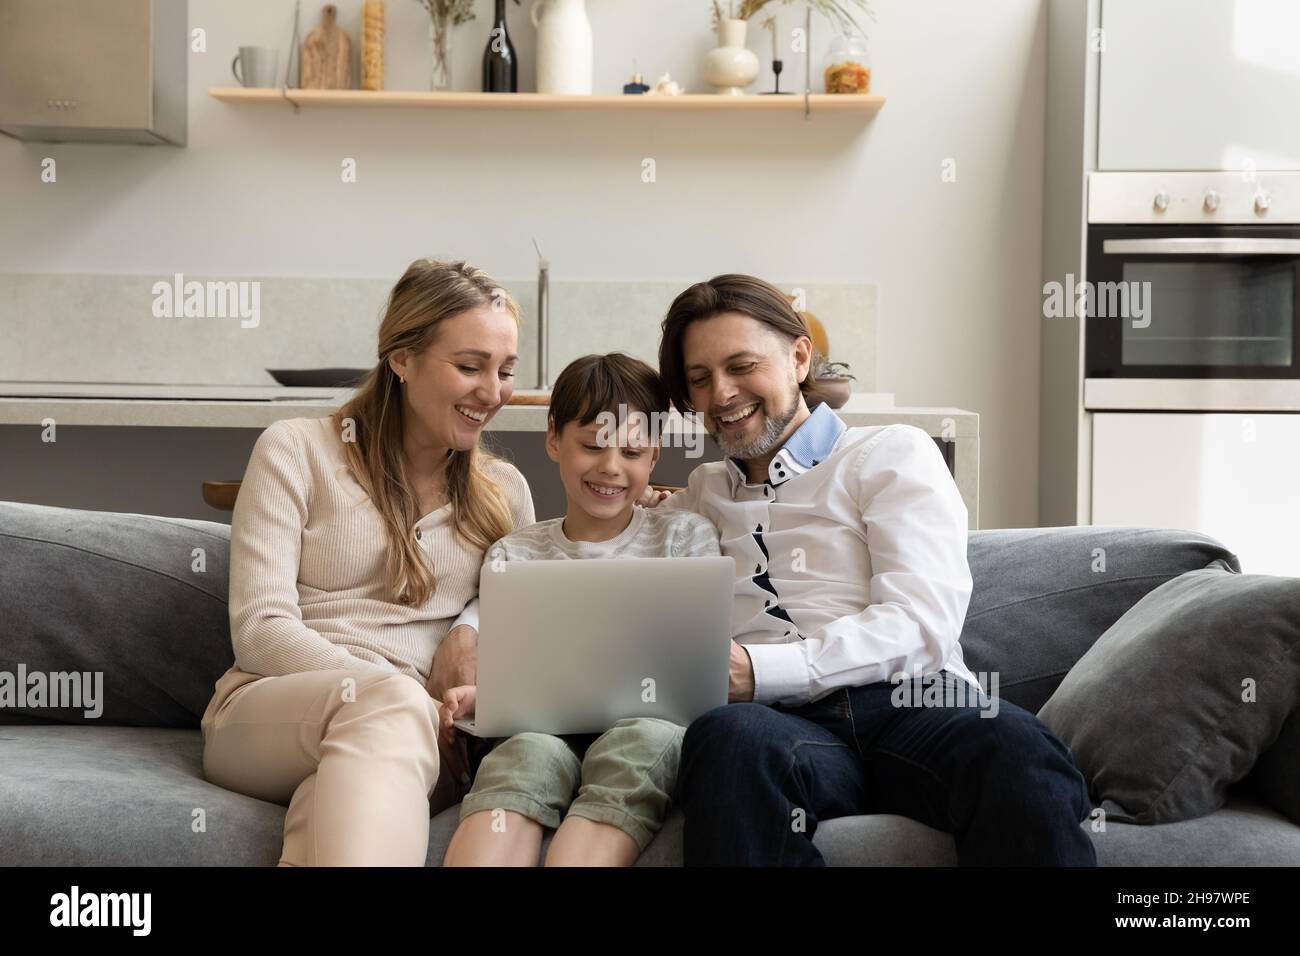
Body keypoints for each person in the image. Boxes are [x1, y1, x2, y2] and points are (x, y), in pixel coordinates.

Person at [648, 273, 1097, 866]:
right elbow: (581, 554)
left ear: (799, 356)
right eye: (700, 379)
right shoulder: (700, 496)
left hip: (911, 706)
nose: (722, 394)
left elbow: (920, 623)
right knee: (730, 741)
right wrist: (476, 621)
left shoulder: (890, 453)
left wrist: (759, 669)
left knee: (1012, 744)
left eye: (741, 366)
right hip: (781, 730)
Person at [200, 258, 535, 866]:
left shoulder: (504, 491)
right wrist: (398, 693)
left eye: (506, 370)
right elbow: (259, 631)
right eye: (469, 366)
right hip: (270, 711)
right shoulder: (296, 450)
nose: (493, 393)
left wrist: (470, 626)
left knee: (328, 811)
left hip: (418, 742)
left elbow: (526, 612)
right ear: (401, 358)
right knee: (389, 709)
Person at [441, 353, 720, 866]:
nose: (611, 466)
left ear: (654, 455)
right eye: (591, 445)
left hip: (650, 724)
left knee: (642, 742)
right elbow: (510, 669)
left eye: (632, 452)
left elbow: (698, 665)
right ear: (554, 440)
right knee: (527, 754)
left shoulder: (684, 536)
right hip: (537, 728)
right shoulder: (513, 553)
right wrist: (480, 697)